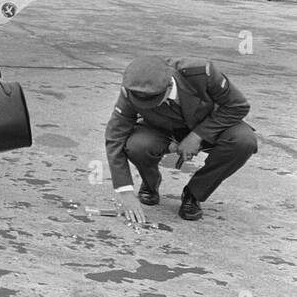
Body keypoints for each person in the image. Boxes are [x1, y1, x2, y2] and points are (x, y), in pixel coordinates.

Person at [105, 56, 255, 223]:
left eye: (154, 100)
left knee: (244, 141)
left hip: (209, 124)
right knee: (137, 146)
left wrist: (198, 135)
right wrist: (125, 192)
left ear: (169, 87)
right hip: (162, 130)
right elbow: (115, 137)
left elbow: (237, 106)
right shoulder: (131, 89)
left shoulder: (200, 73)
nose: (147, 106)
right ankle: (150, 183)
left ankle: (194, 193)